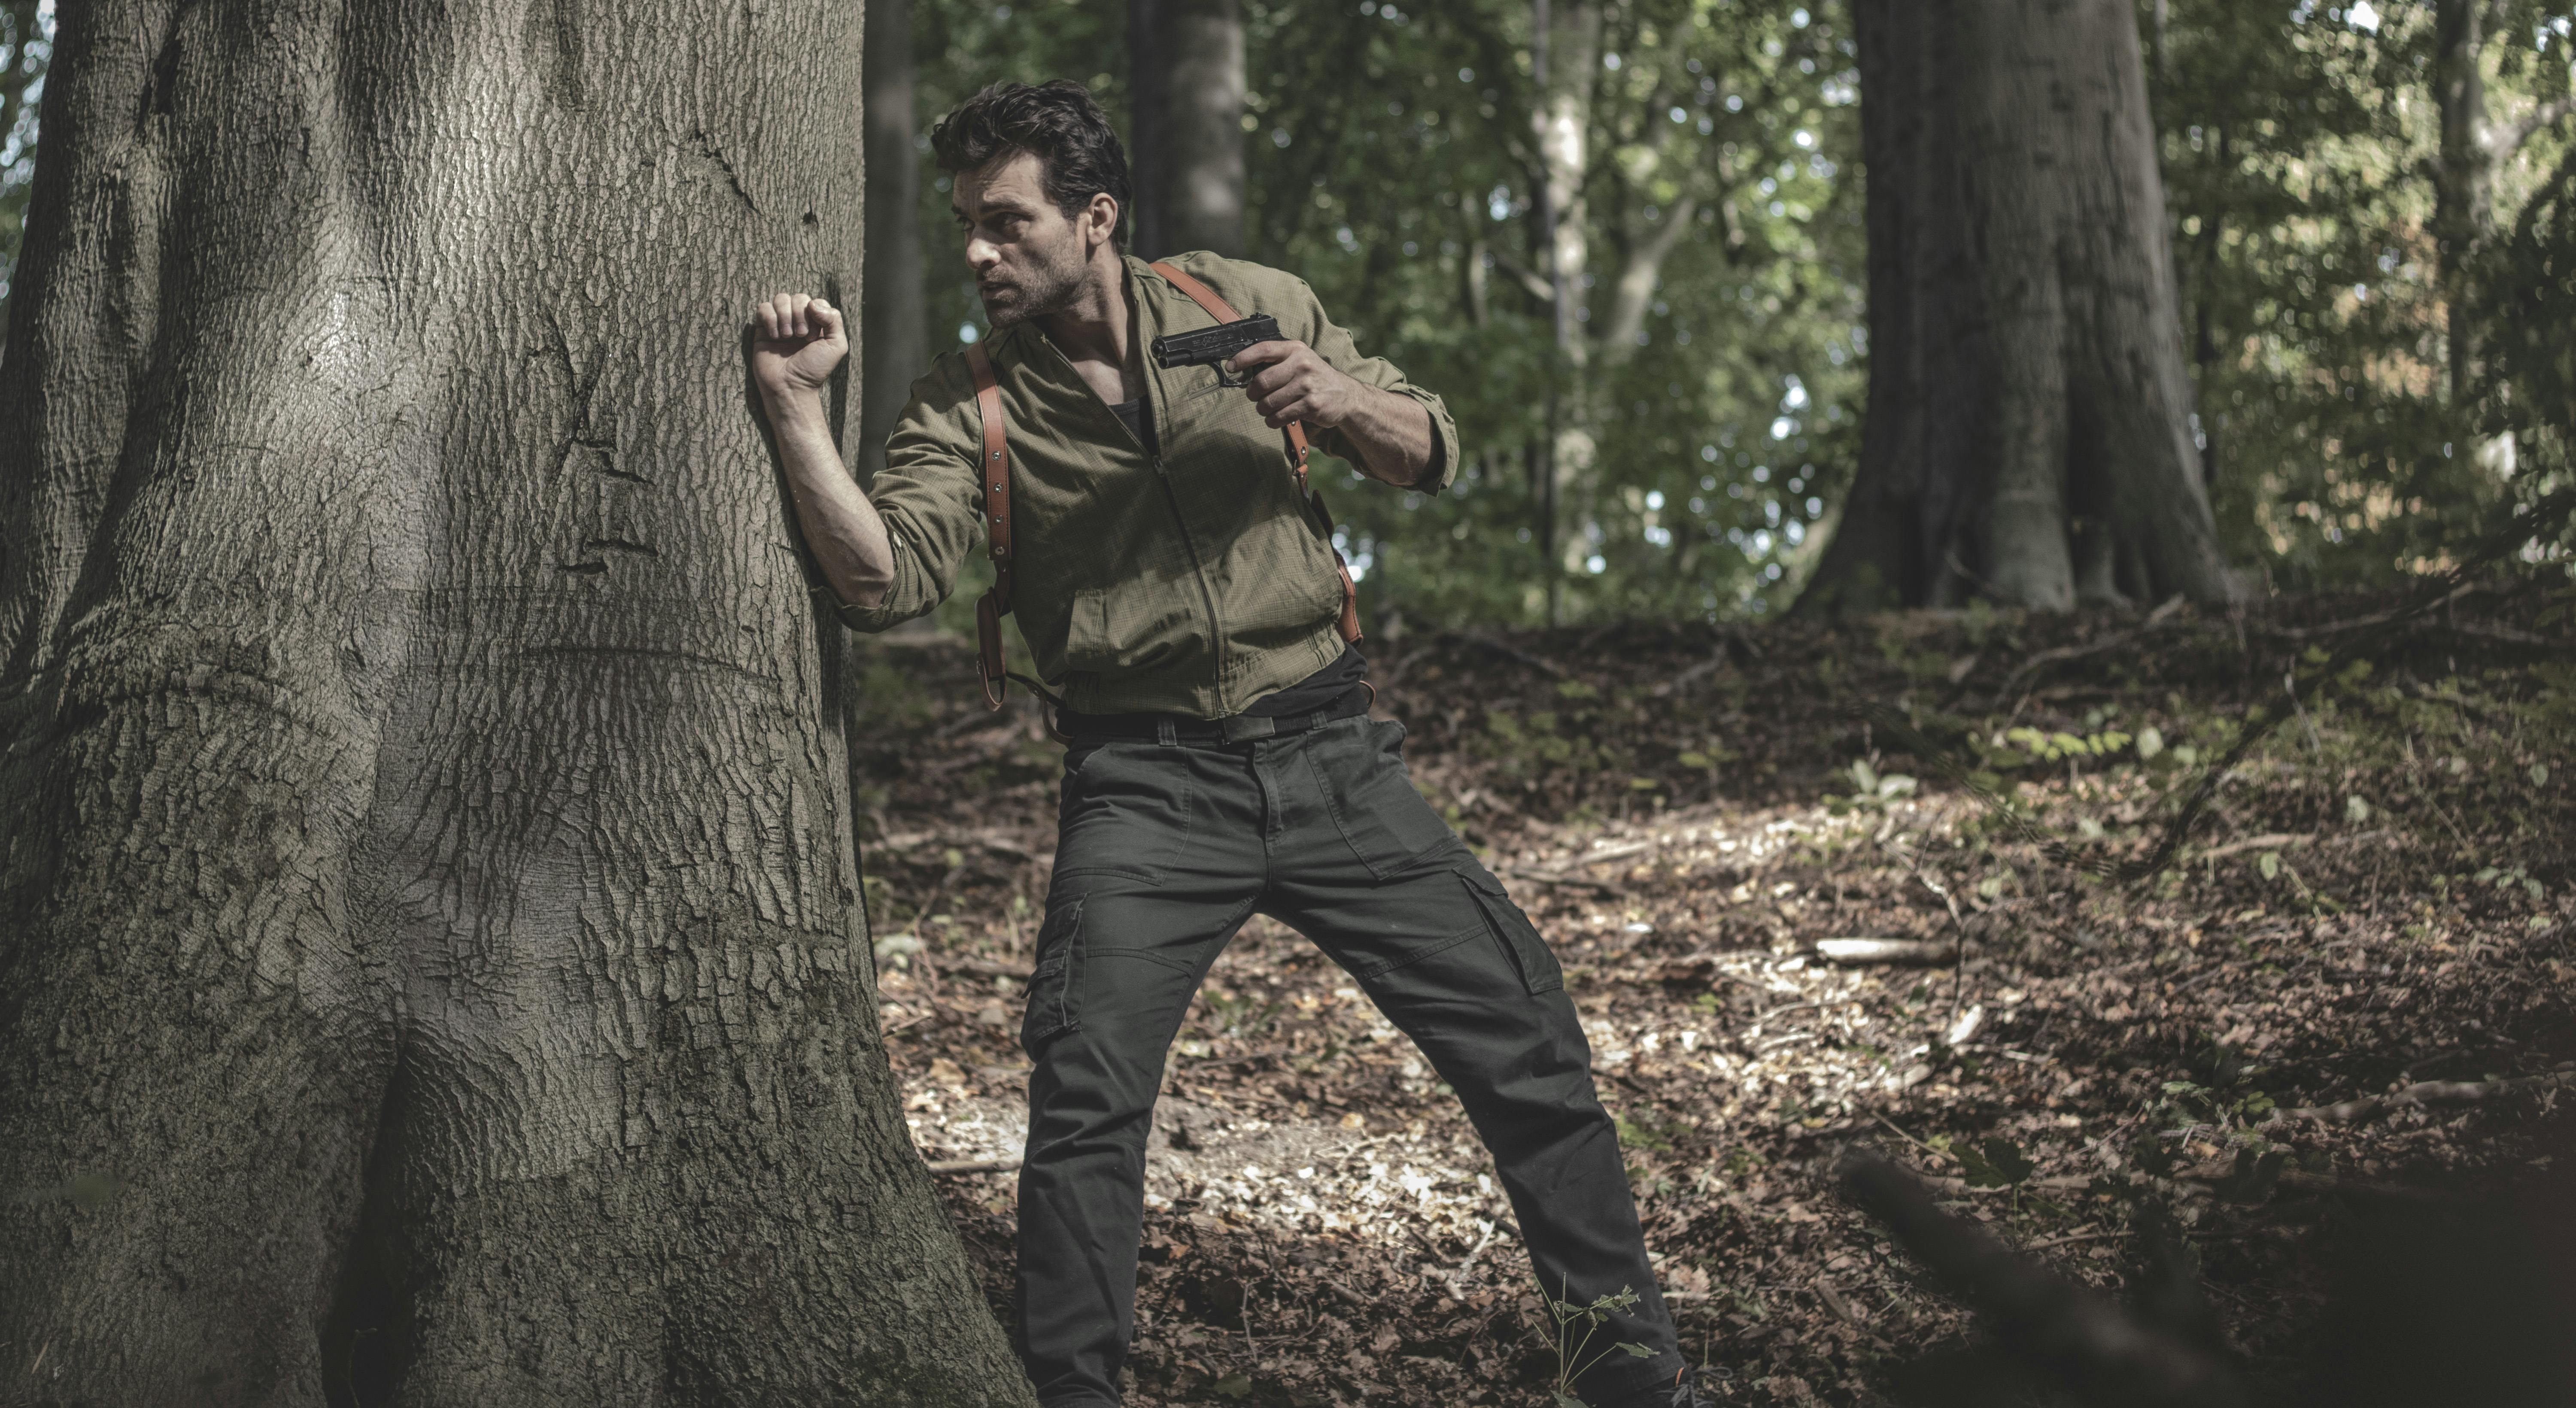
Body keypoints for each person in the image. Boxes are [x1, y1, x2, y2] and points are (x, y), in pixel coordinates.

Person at [750, 79, 1707, 1408]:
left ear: (1096, 218)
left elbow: (1425, 444)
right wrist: (798, 412)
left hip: (1334, 758)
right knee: (1085, 1107)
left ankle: (1633, 1381)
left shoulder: (1238, 304)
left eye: (1007, 221)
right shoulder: (969, 407)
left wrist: (1329, 394)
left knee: (1530, 1045)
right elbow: (882, 583)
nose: (977, 250)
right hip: (1143, 791)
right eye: (968, 222)